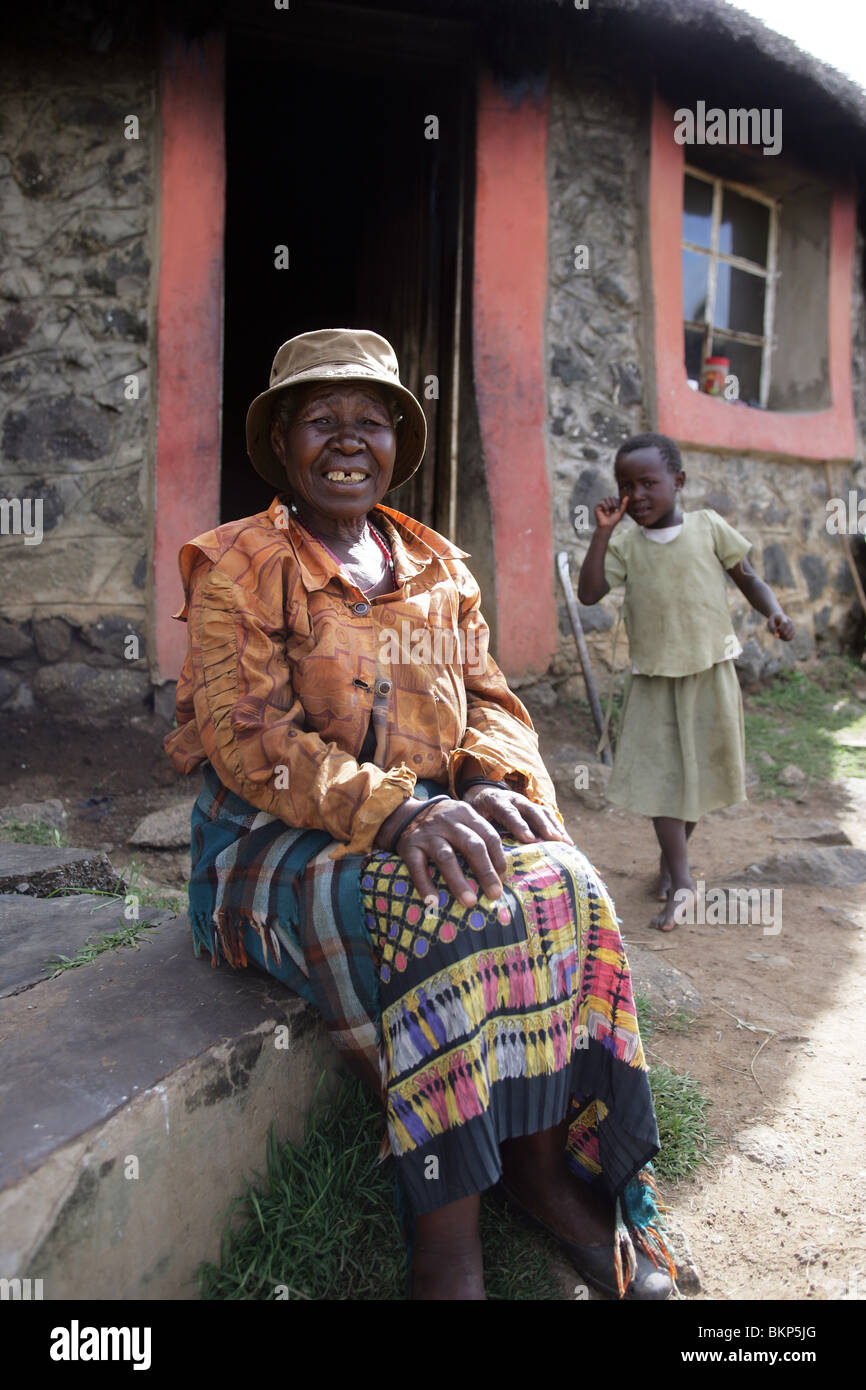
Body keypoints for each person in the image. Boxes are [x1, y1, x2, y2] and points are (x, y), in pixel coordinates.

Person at [164, 330, 677, 1300]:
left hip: (427, 813)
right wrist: (397, 811)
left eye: (371, 421)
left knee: (566, 883)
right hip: (271, 840)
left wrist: (491, 781)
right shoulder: (239, 563)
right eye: (322, 421)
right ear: (281, 441)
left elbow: (490, 701)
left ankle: (542, 1175)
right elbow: (250, 741)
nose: (347, 441)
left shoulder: (438, 562)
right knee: (441, 910)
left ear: (399, 440)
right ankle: (447, 1246)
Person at [578, 431, 795, 931]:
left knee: (697, 779)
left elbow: (749, 579)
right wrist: (602, 533)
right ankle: (682, 883)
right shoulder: (627, 543)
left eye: (650, 482)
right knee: (661, 781)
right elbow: (589, 594)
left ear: (678, 481)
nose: (638, 495)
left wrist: (776, 612)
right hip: (654, 679)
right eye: (627, 485)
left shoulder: (708, 527)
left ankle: (671, 864)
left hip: (710, 673)